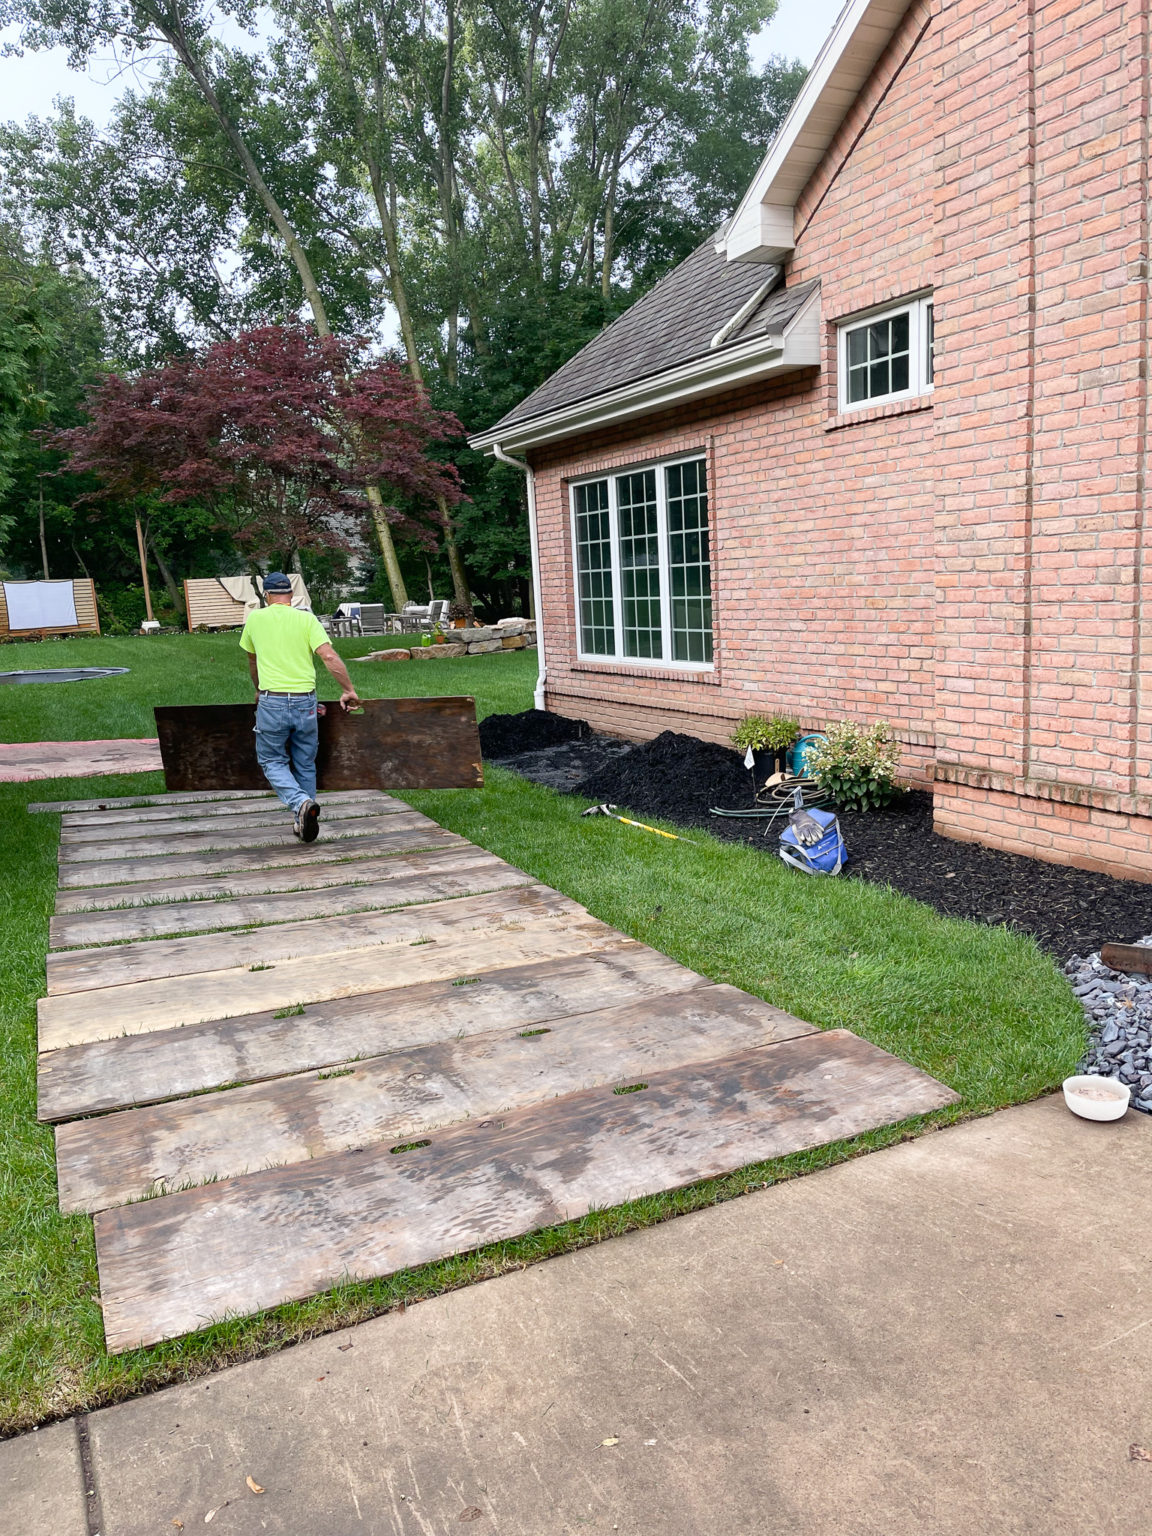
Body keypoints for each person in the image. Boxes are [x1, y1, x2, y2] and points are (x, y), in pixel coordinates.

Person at [239, 572, 360, 842]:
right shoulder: (307, 619)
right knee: (305, 762)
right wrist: (348, 690)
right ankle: (303, 822)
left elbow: (252, 661)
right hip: (306, 702)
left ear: (267, 596)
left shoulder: (255, 620)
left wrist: (258, 688)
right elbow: (328, 656)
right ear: (291, 596)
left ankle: (300, 803)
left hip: (273, 701)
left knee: (272, 760)